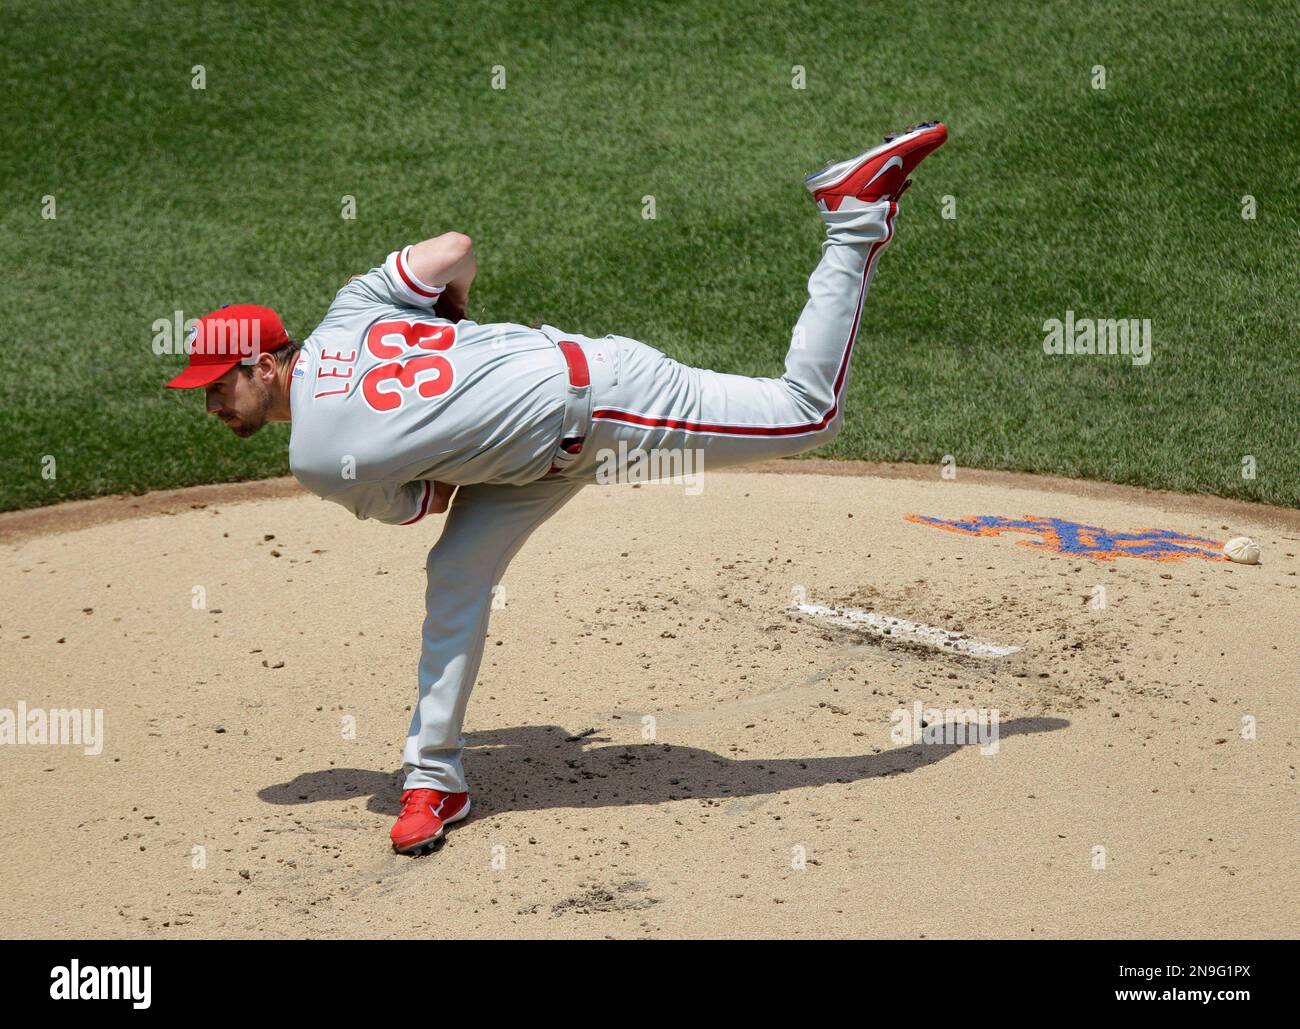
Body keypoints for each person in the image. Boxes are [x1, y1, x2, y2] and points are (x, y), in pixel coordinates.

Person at [166, 122, 949, 854]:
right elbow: (454, 249)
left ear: (265, 366)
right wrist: (455, 324)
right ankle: (433, 781)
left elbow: (424, 500)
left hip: (602, 407)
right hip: (535, 445)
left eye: (216, 386)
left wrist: (439, 425)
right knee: (457, 574)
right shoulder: (350, 306)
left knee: (805, 415)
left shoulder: (314, 452)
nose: (208, 404)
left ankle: (853, 214)